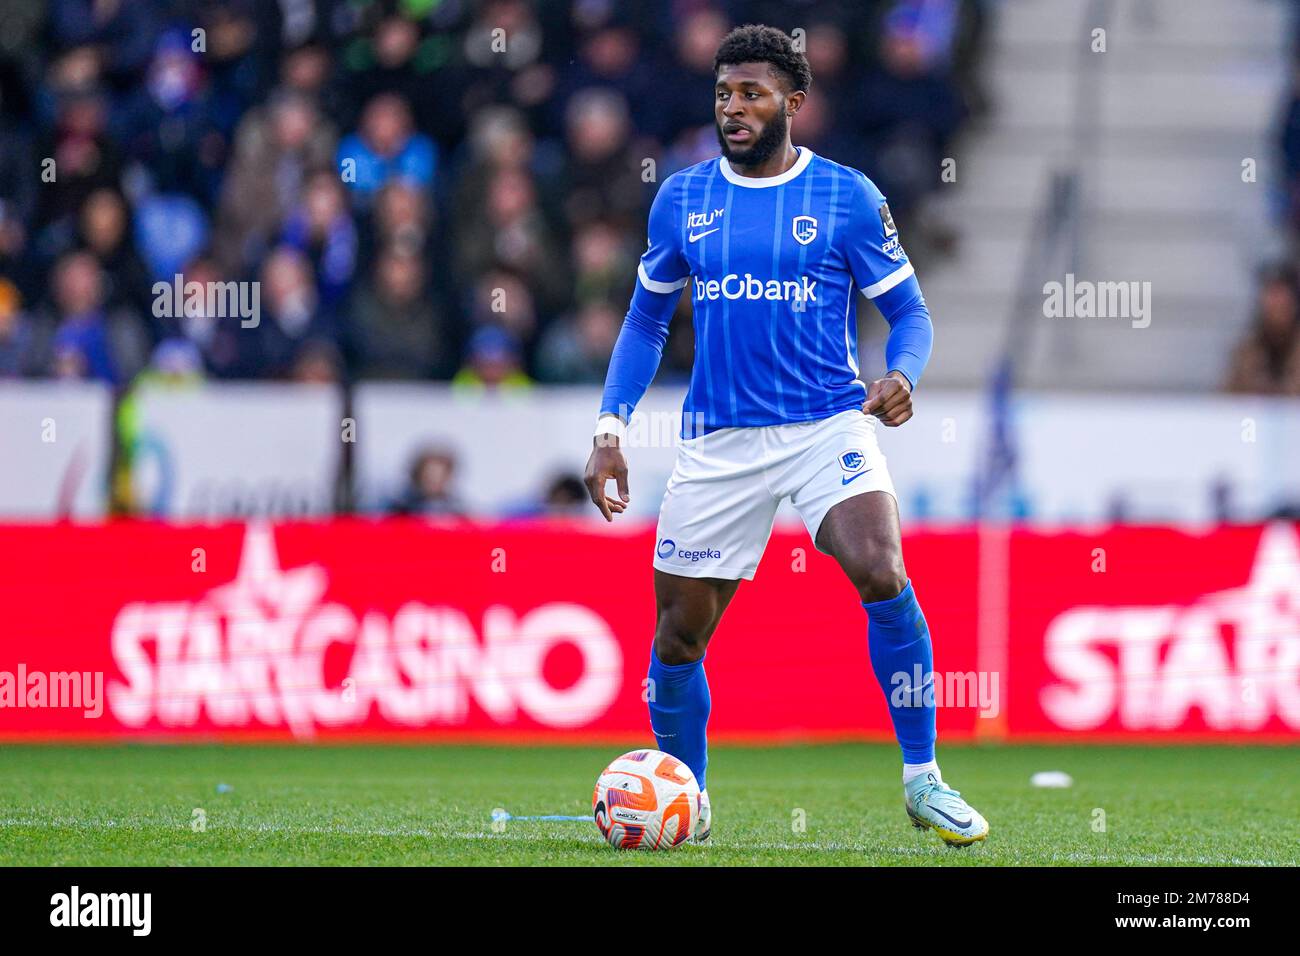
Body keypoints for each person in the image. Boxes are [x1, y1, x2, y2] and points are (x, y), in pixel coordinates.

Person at [582, 25, 987, 848]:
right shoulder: (682, 199)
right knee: (679, 634)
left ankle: (924, 779)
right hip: (718, 442)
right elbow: (644, 320)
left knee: (879, 564)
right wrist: (609, 427)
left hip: (825, 423)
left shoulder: (846, 197)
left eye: (753, 93)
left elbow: (909, 313)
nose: (734, 107)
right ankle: (684, 798)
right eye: (725, 92)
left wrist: (902, 377)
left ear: (793, 104)